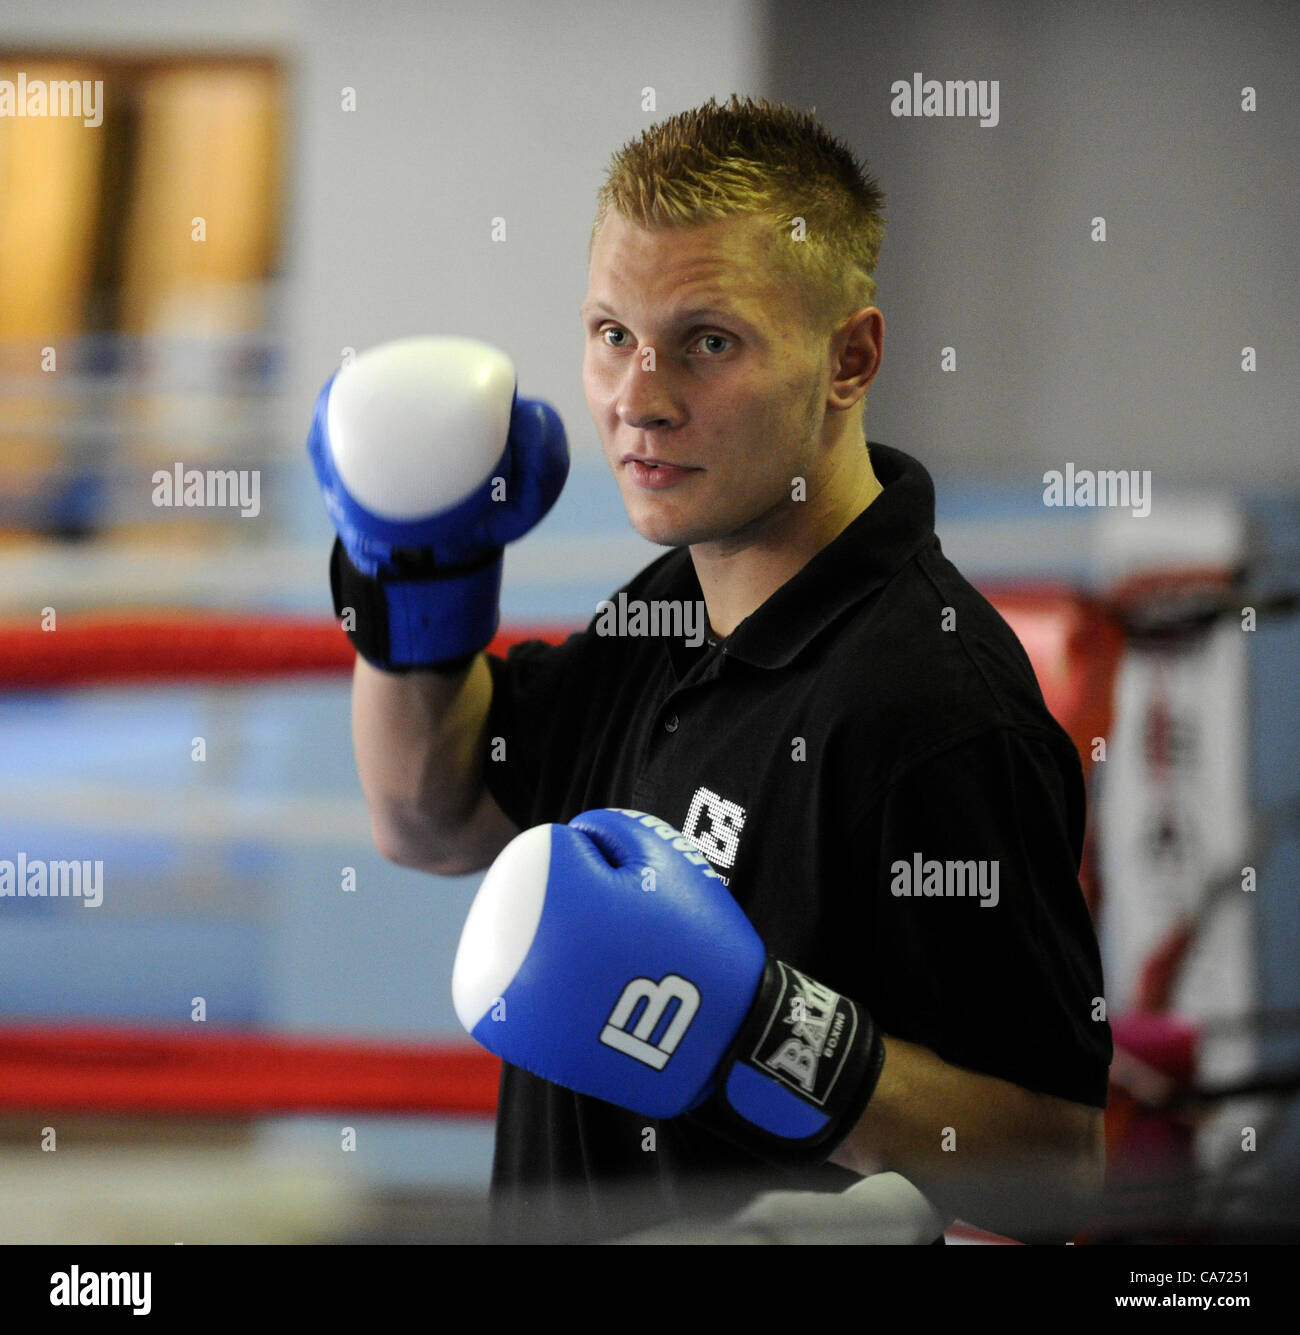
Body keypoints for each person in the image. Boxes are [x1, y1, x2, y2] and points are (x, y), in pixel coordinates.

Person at [310, 95, 1112, 1245]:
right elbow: (430, 820)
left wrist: (765, 1039)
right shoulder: (671, 610)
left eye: (708, 341)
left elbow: (1059, 1165)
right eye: (610, 334)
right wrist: (411, 583)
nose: (639, 397)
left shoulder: (929, 706)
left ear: (850, 358)